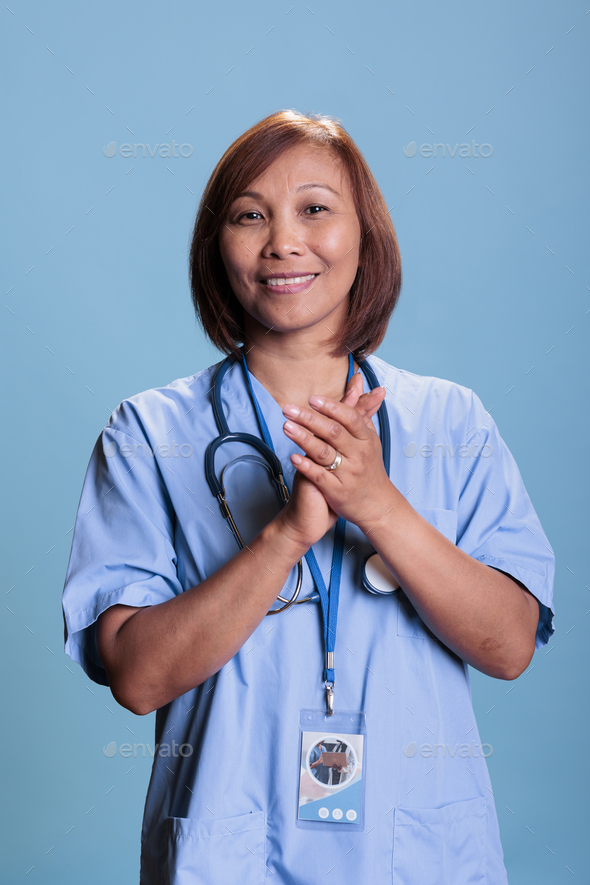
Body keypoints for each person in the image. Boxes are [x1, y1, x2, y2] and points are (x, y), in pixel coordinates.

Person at [62, 110, 555, 884]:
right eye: (249, 215)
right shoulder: (149, 434)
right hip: (229, 856)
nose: (283, 242)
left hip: (416, 856)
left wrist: (377, 504)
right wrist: (286, 534)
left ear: (366, 237)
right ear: (216, 246)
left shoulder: (452, 423)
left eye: (315, 208)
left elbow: (510, 646)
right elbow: (137, 677)